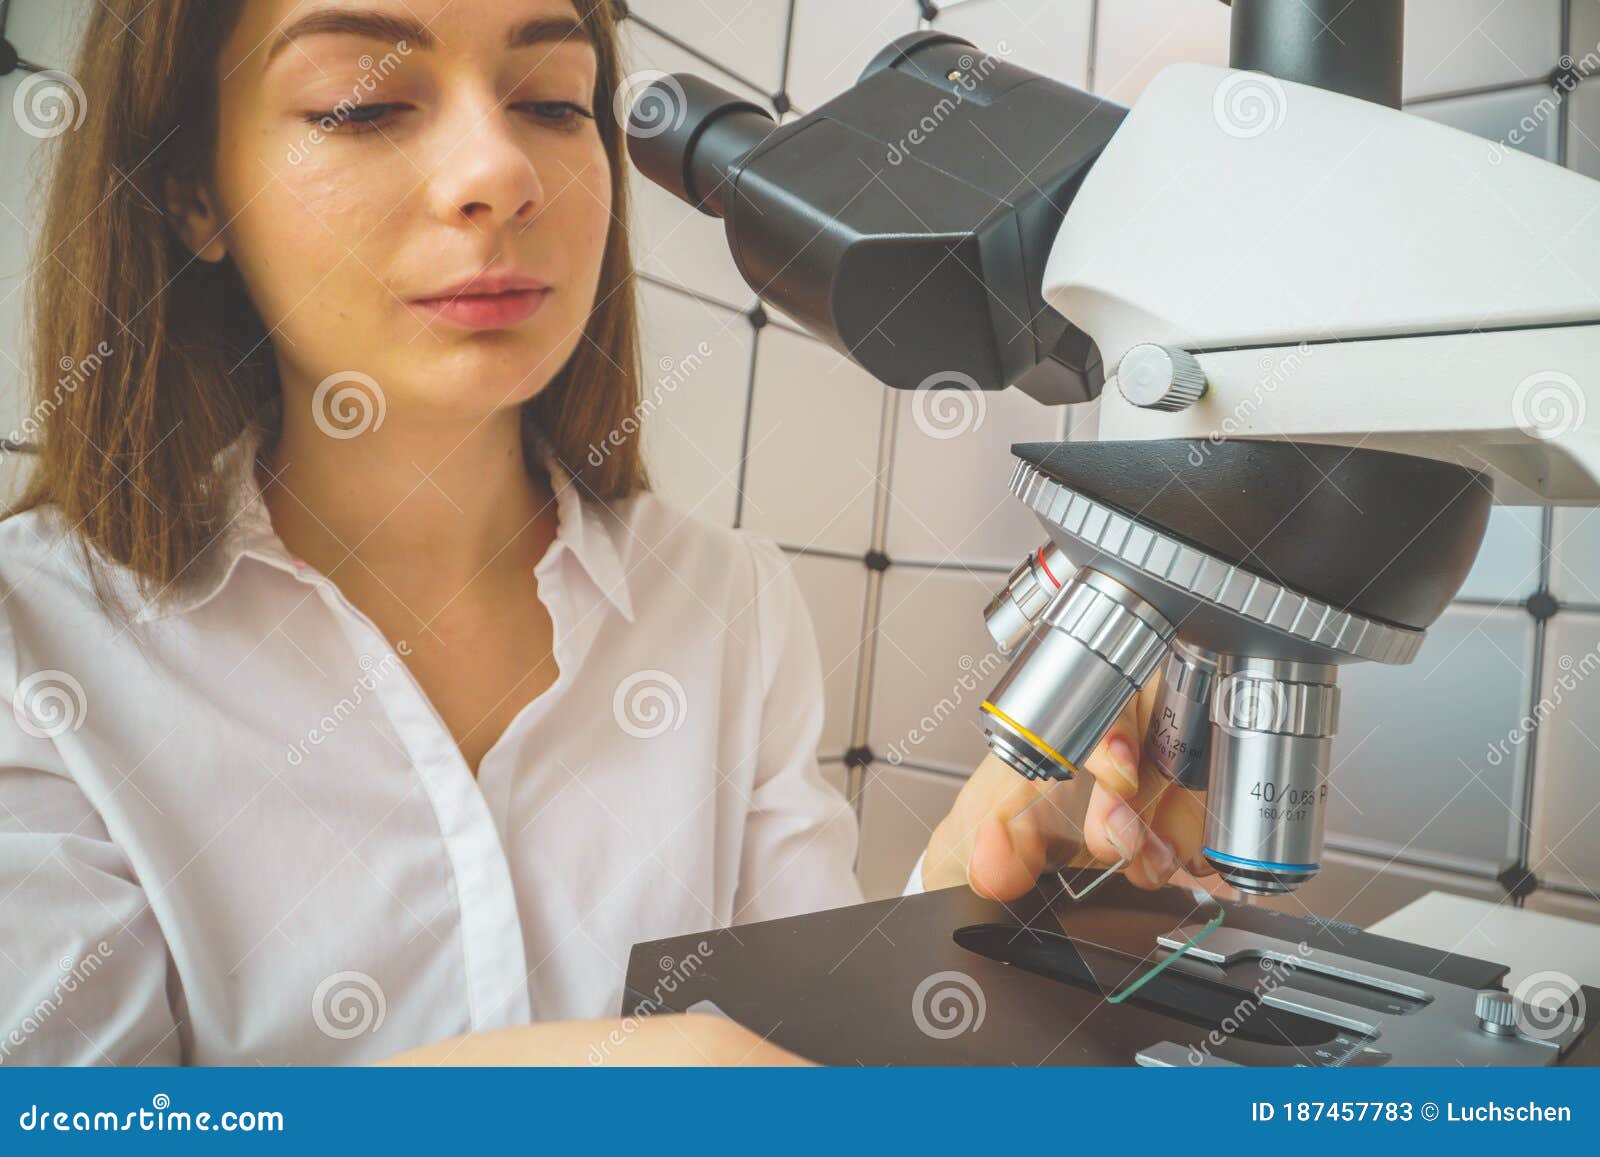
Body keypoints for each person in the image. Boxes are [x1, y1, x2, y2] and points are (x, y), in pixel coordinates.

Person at [0, 0, 1212, 1067]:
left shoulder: (728, 600)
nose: (499, 170)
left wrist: (968, 885)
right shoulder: (35, 641)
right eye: (362, 106)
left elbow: (792, 1054)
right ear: (192, 192)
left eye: (548, 99)